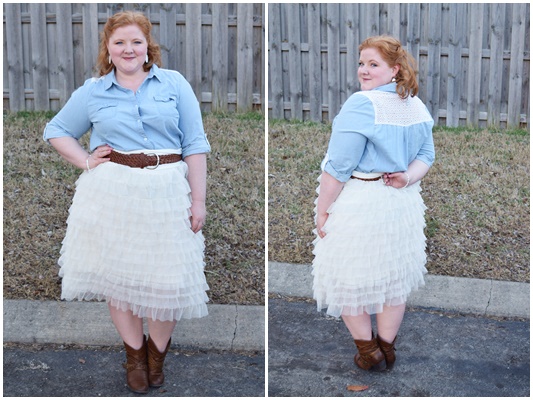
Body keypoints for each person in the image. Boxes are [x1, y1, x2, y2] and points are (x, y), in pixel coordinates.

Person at [43, 11, 210, 394]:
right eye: (119, 42)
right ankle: (134, 357)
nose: (128, 49)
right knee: (121, 280)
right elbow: (57, 130)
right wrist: (85, 160)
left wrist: (197, 200)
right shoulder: (94, 91)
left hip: (168, 190)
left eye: (135, 41)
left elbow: (195, 144)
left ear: (147, 46)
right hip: (112, 192)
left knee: (167, 282)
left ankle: (157, 354)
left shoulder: (173, 84)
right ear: (108, 48)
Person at [312, 35, 435, 371]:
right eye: (361, 62)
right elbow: (426, 156)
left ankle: (369, 352)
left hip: (361, 202)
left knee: (345, 277)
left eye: (373, 64)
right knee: (393, 278)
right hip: (402, 203)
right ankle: (387, 348)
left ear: (395, 70)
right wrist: (407, 178)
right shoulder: (415, 105)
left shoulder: (361, 104)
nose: (363, 71)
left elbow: (338, 167)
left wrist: (323, 211)